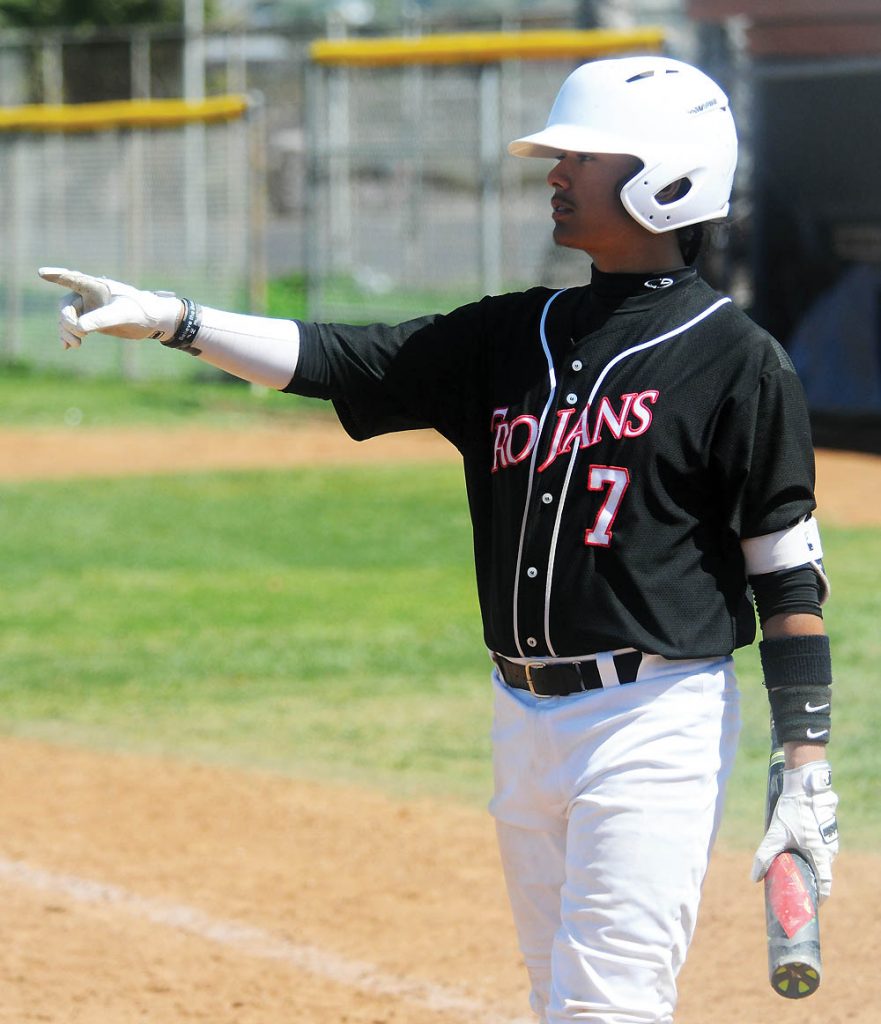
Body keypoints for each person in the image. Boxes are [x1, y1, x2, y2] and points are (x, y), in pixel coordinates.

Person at [39, 55, 839, 1024]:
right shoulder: (512, 334)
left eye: (577, 157)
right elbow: (340, 356)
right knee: (556, 995)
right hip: (522, 713)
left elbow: (786, 576)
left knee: (608, 1004)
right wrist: (180, 320)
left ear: (662, 175)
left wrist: (803, 763)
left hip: (651, 720)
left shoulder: (736, 359)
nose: (552, 173)